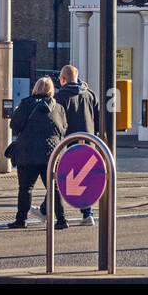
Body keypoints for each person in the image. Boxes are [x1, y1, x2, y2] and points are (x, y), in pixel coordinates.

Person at [7, 76, 68, 230]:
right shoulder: (58, 107)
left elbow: (15, 124)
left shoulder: (26, 103)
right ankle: (61, 220)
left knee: (26, 188)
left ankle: (21, 220)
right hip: (51, 154)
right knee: (54, 188)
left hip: (28, 153)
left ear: (36, 88)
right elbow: (64, 128)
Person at [48, 65, 100, 226]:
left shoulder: (60, 97)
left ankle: (45, 210)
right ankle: (88, 214)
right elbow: (98, 117)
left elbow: (56, 121)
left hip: (67, 143)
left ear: (63, 79)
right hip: (89, 141)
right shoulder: (90, 94)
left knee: (61, 177)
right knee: (85, 177)